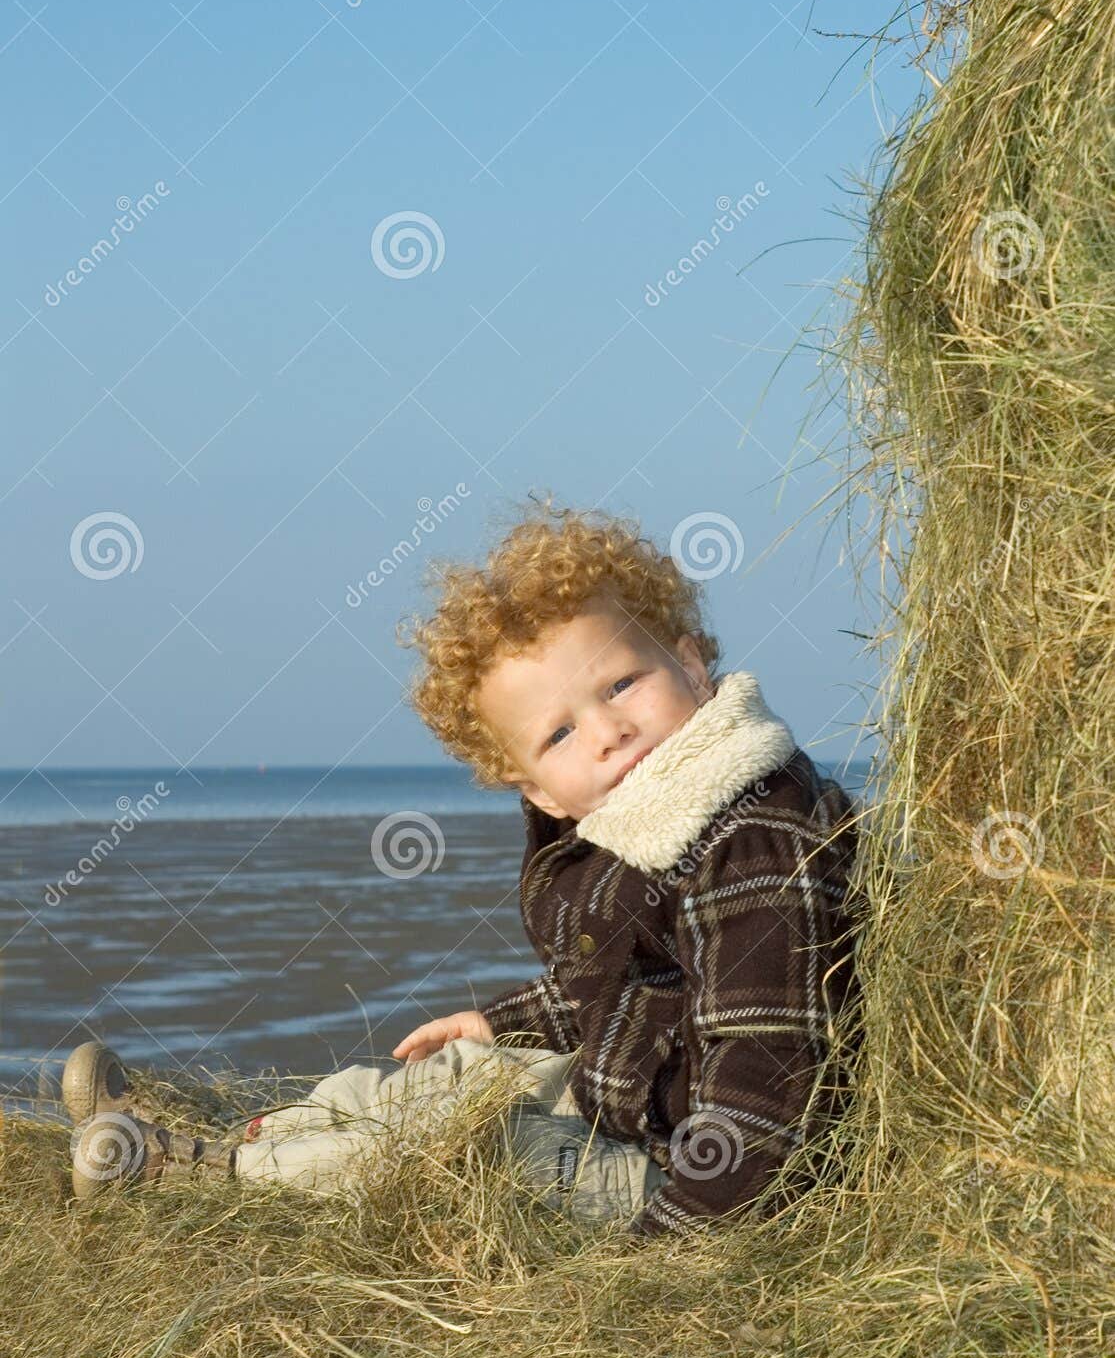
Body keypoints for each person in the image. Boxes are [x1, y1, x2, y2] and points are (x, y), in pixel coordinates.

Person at [66, 501, 860, 1240]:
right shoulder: (651, 812)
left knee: (469, 1141)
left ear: (690, 666)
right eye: (558, 734)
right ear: (537, 788)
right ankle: (223, 1129)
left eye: (622, 683)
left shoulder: (750, 835)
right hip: (632, 1096)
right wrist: (502, 1023)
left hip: (687, 1174)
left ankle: (203, 1175)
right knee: (444, 1076)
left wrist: (677, 1240)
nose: (608, 731)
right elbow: (638, 980)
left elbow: (769, 1061)